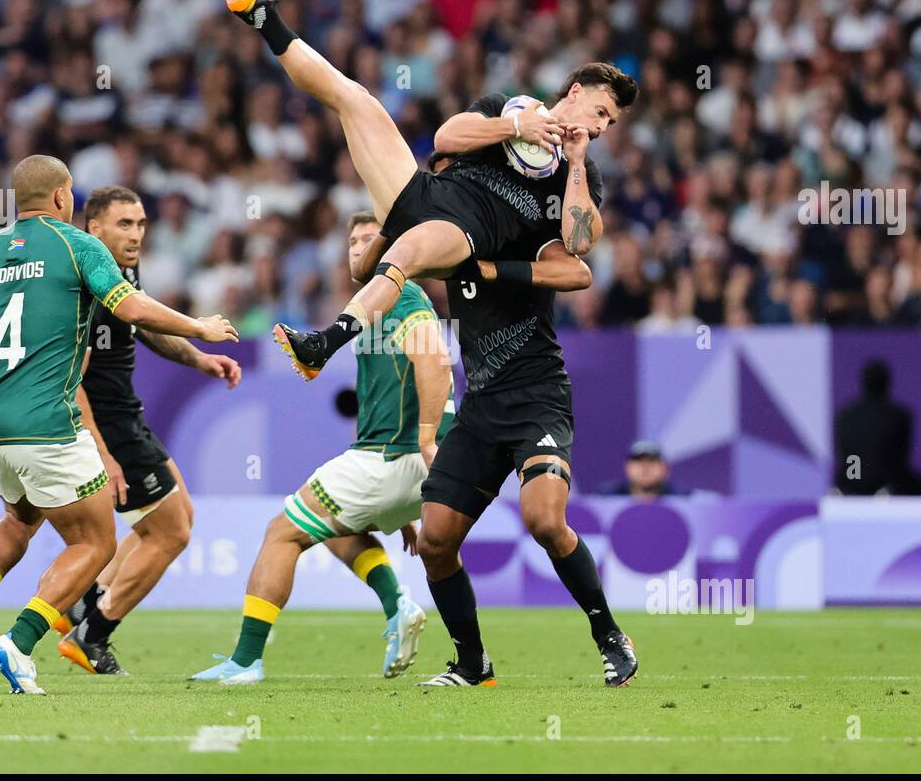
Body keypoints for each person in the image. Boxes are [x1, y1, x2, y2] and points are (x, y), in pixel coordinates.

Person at [221, 0, 635, 379]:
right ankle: (262, 16)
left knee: (404, 252)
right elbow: (446, 136)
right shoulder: (508, 107)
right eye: (601, 112)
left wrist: (573, 163)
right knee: (355, 99)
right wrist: (515, 128)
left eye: (610, 122)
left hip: (465, 234)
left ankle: (323, 345)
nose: (603, 126)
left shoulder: (583, 172)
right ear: (575, 92)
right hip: (423, 192)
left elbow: (580, 245)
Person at [0, 154, 238, 694]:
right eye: (126, 222)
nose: (136, 233)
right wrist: (202, 327)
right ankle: (26, 639)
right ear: (61, 198)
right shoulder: (80, 250)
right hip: (49, 423)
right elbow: (133, 312)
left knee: (20, 518)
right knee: (97, 543)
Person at [191, 212, 454, 684]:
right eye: (351, 240)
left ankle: (246, 661)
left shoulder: (401, 295)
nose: (357, 248)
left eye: (369, 239)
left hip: (395, 456)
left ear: (393, 249)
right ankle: (398, 604)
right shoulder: (374, 303)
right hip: (401, 463)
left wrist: (426, 442)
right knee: (333, 528)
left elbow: (435, 360)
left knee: (281, 533)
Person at [412, 226, 640, 688]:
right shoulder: (449, 237)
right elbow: (397, 257)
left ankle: (609, 634)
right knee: (434, 540)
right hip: (481, 409)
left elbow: (578, 271)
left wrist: (498, 270)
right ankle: (473, 663)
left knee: (545, 520)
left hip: (539, 400)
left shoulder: (524, 225)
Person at [52, 185, 243, 676]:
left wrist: (197, 358)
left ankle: (81, 604)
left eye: (140, 224)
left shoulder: (118, 271)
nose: (136, 234)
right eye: (124, 225)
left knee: (174, 518)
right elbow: (70, 379)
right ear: (93, 227)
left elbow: (143, 322)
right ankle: (92, 634)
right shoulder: (86, 284)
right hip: (108, 423)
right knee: (171, 533)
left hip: (125, 415)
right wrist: (104, 453)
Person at [833, 360, 921, 495]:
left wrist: (855, 479)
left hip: (851, 482)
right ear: (887, 383)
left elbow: (847, 457)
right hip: (888, 485)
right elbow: (902, 457)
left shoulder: (846, 415)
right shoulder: (899, 416)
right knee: (915, 483)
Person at [597, 441, 684, 498]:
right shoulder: (607, 497)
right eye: (638, 461)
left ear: (665, 469)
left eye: (652, 461)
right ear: (627, 468)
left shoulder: (682, 499)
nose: (645, 467)